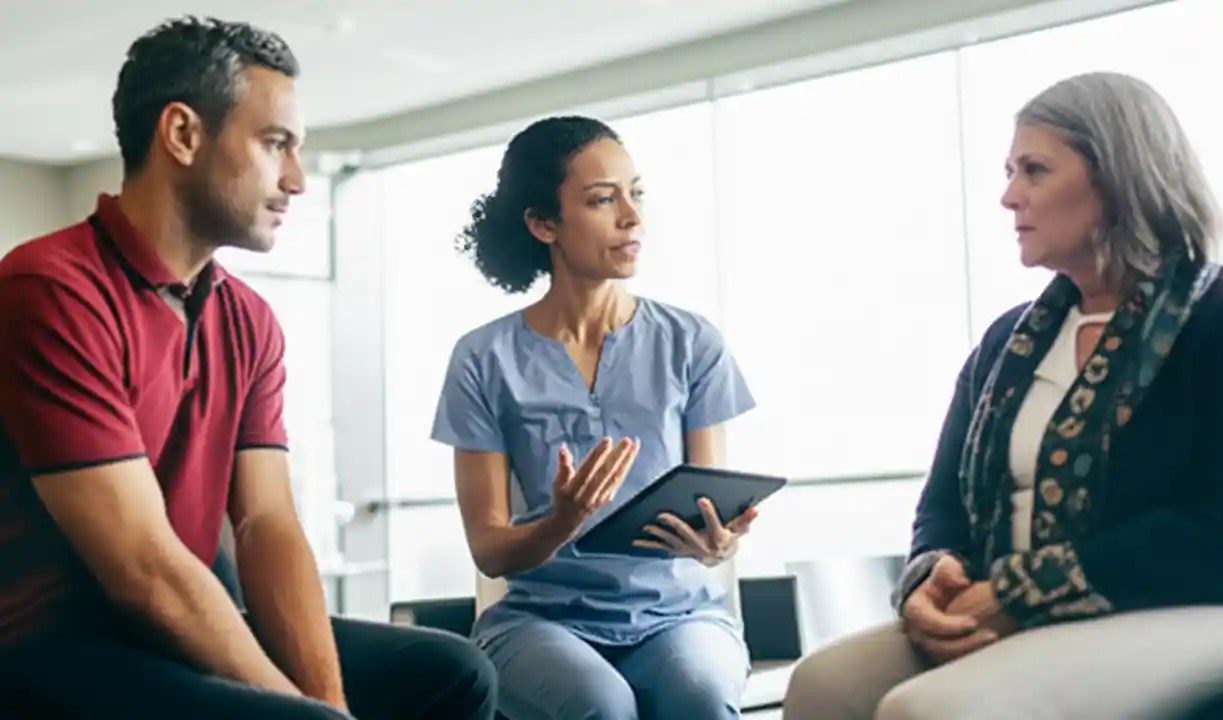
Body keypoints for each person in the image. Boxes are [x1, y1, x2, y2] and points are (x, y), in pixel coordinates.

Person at [0, 16, 495, 719]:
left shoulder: (247, 319)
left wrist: (327, 701)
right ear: (181, 134)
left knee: (453, 673)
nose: (295, 179)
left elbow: (266, 523)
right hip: (50, 643)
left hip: (175, 614)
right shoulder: (52, 289)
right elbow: (142, 567)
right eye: (274, 145)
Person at [783, 71, 1223, 720]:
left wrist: (1018, 593)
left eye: (1034, 170)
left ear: (1116, 179)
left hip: (1200, 608)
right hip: (1008, 606)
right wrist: (932, 581)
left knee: (928, 709)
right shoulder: (1006, 343)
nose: (1008, 196)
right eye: (1009, 170)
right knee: (823, 683)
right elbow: (941, 507)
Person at [431, 115, 758, 719]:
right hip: (540, 623)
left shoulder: (691, 342)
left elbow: (713, 507)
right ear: (542, 223)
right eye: (603, 200)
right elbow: (491, 551)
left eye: (636, 193)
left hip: (680, 616)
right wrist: (564, 520)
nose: (632, 216)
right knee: (601, 706)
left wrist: (717, 541)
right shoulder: (483, 358)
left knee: (702, 696)